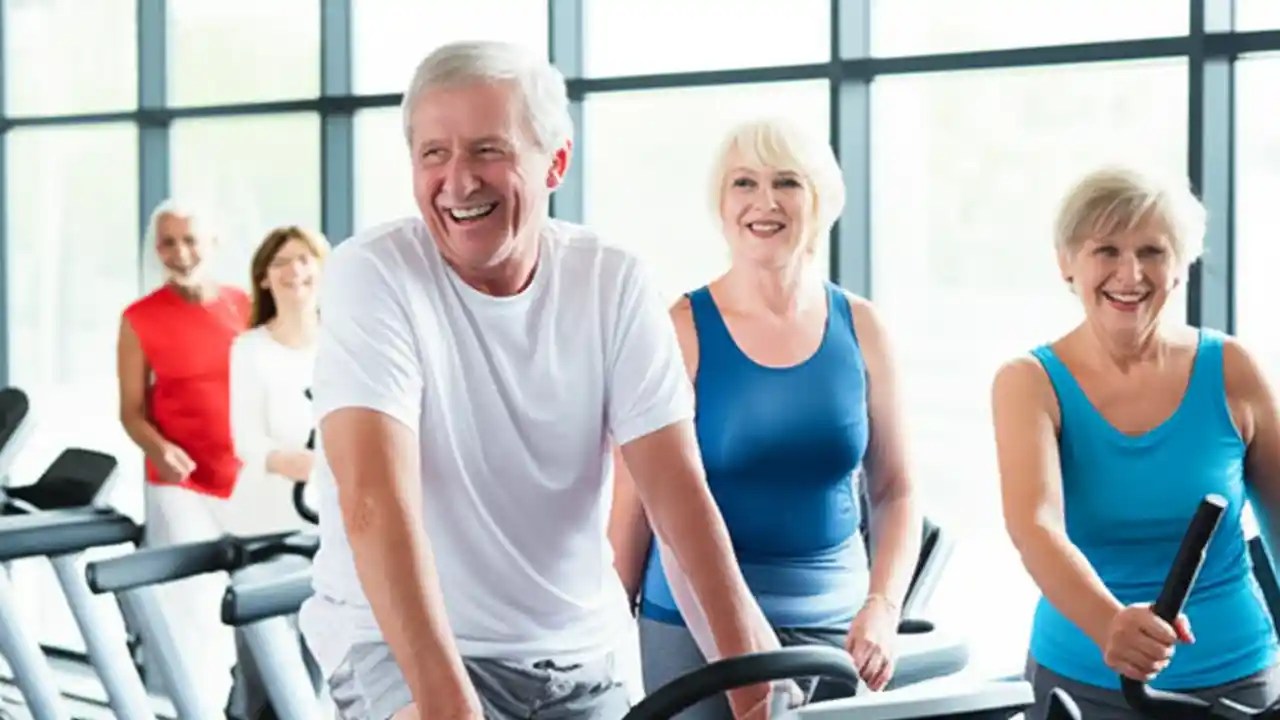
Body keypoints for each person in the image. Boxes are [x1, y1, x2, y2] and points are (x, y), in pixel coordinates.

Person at [297, 40, 789, 720]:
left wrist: (757, 690)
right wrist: (450, 708)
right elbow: (371, 502)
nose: (458, 180)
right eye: (433, 153)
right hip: (407, 650)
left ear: (555, 160)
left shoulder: (611, 280)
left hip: (576, 660)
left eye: (488, 151)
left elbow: (677, 500)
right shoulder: (374, 274)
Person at [608, 118, 922, 718]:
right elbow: (638, 500)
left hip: (839, 632)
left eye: (787, 183)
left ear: (819, 200)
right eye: (744, 184)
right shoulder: (681, 330)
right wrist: (603, 623)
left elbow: (896, 489)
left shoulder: (863, 328)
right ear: (721, 204)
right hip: (695, 630)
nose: (764, 202)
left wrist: (883, 605)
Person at [993, 166, 1280, 719]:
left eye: (1152, 251)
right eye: (1106, 250)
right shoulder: (1027, 382)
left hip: (1236, 680)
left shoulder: (1233, 369)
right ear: (1067, 263)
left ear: (1181, 266)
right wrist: (1111, 625)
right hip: (1082, 680)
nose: (1131, 274)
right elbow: (1035, 527)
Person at [116, 199, 250, 714]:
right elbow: (130, 412)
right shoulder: (139, 319)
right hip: (179, 483)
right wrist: (161, 449)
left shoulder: (245, 306)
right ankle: (197, 708)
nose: (181, 252)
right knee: (190, 605)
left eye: (191, 239)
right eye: (168, 242)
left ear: (212, 243)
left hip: (244, 478)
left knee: (257, 597)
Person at [228, 224, 329, 535]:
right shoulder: (249, 349)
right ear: (264, 278)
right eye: (280, 262)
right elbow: (245, 437)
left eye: (303, 258)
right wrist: (279, 460)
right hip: (272, 515)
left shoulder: (348, 341)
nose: (294, 270)